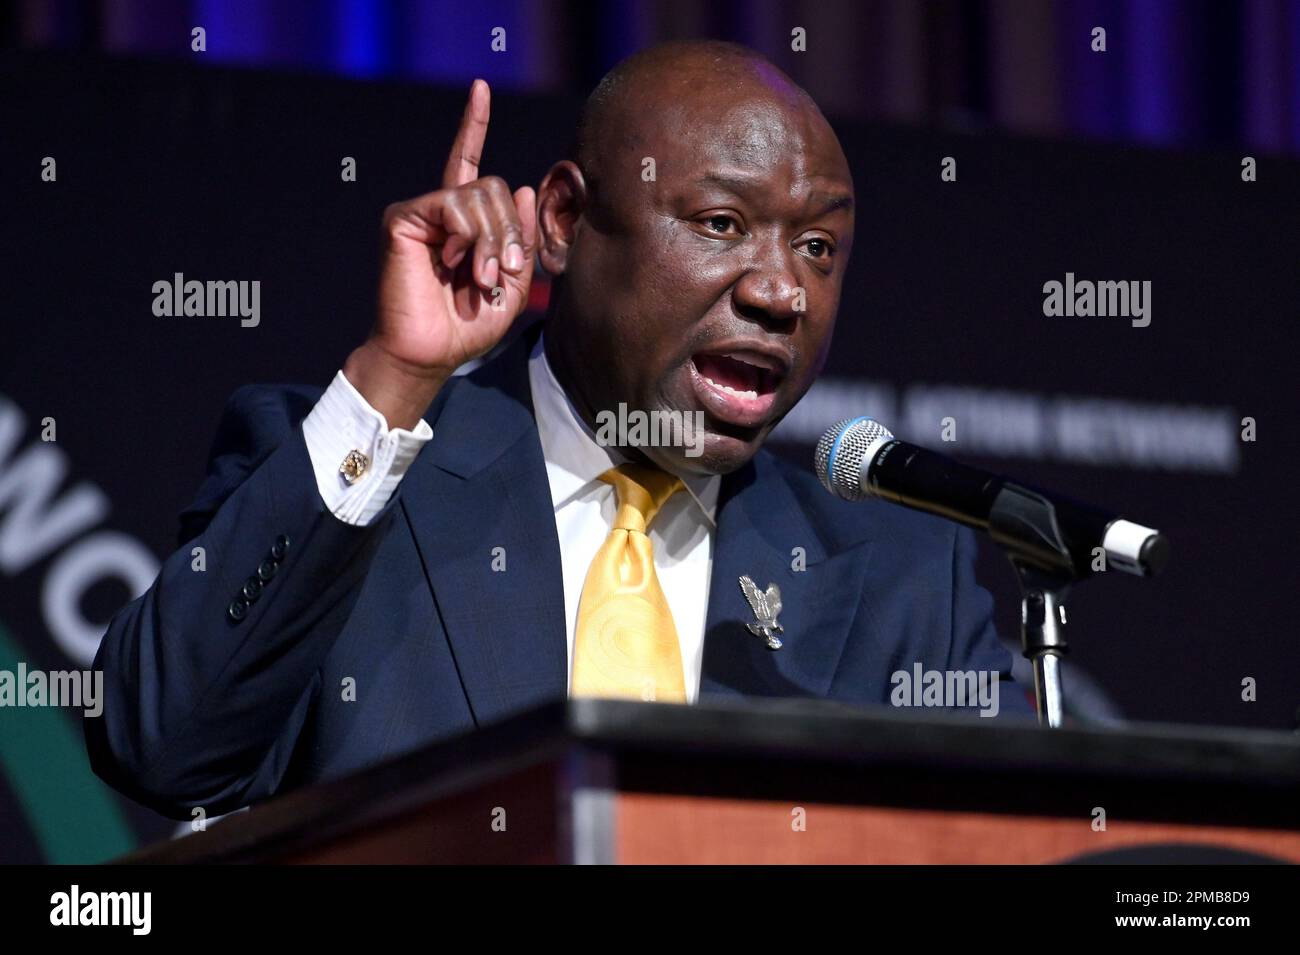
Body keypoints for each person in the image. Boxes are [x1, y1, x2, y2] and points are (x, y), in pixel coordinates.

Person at [87, 40, 1033, 820]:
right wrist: (400, 376)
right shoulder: (358, 476)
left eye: (818, 247)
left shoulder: (909, 587)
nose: (780, 289)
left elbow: (1035, 848)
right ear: (568, 222)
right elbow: (161, 746)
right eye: (720, 222)